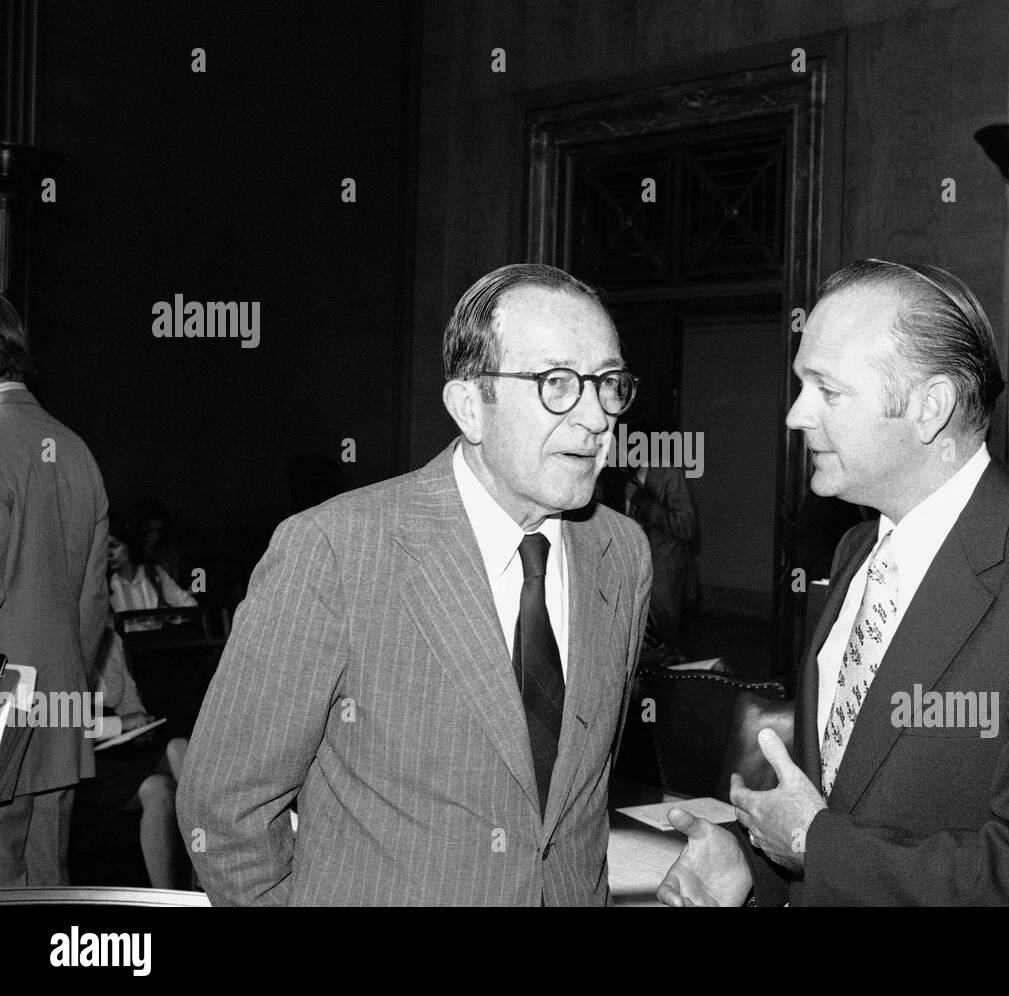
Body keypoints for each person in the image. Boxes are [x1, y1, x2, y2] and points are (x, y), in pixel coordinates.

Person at [657, 259, 1009, 906]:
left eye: (827, 391)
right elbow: (843, 798)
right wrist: (756, 869)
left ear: (929, 408)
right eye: (801, 385)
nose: (796, 416)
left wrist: (812, 845)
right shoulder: (857, 550)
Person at [178, 263, 652, 905]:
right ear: (469, 407)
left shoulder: (622, 554)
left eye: (609, 384)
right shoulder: (337, 551)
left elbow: (573, 801)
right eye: (558, 384)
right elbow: (224, 808)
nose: (597, 417)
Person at [0, 294, 109, 886]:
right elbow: (93, 605)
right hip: (57, 709)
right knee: (47, 892)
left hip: (2, 714)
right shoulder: (74, 448)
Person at [80, 616, 189, 889]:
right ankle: (171, 892)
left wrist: (141, 721)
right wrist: (119, 725)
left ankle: (201, 873)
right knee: (161, 787)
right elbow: (59, 724)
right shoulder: (60, 638)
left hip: (122, 745)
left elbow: (128, 699)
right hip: (87, 756)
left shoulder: (111, 638)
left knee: (178, 750)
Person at [624, 457, 696, 649]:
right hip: (630, 576)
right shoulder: (617, 472)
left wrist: (642, 501)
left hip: (662, 577)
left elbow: (686, 526)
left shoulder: (667, 472)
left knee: (662, 653)